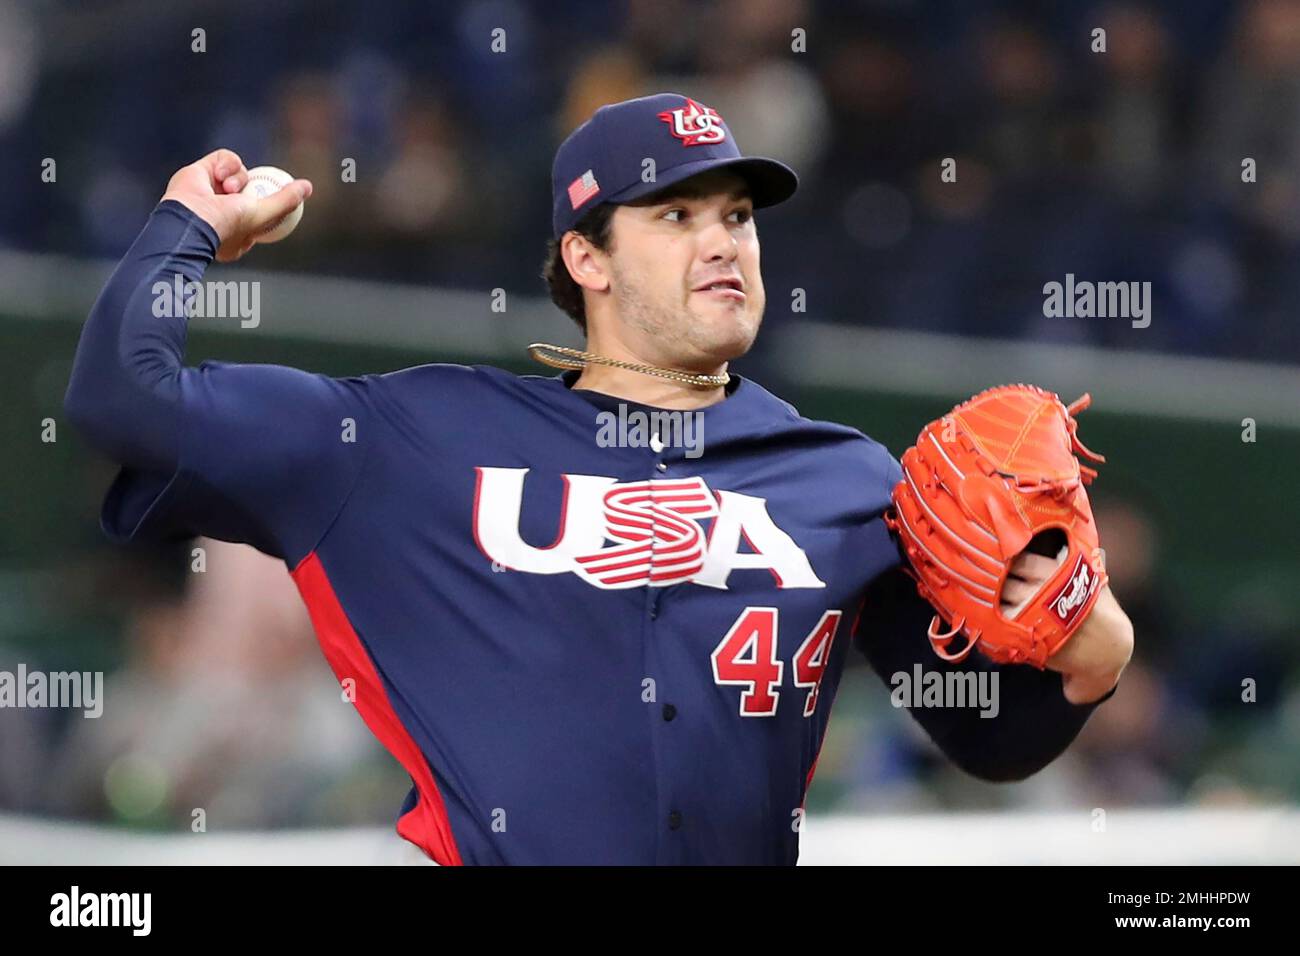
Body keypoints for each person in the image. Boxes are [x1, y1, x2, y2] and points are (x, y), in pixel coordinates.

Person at [64, 92, 1132, 865]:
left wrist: (1094, 650)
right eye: (675, 215)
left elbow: (986, 737)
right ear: (586, 258)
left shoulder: (843, 479)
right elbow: (123, 397)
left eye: (737, 216)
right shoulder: (410, 436)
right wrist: (187, 229)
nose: (721, 244)